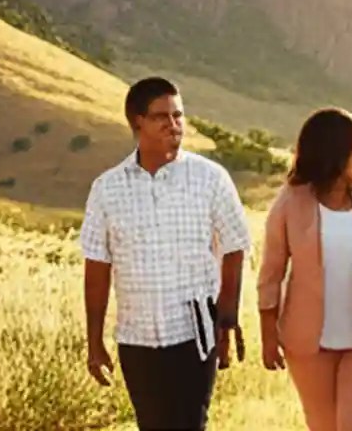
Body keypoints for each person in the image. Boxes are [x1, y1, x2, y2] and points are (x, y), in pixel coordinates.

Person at [79, 77, 252, 431]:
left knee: (190, 424)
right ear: (137, 122)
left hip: (194, 330)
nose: (174, 125)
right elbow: (97, 266)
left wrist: (227, 315)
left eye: (179, 116)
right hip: (135, 336)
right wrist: (94, 342)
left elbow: (236, 246)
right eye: (162, 117)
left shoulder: (210, 178)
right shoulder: (107, 189)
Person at [256, 107, 352, 431]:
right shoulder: (290, 202)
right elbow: (271, 272)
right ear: (331, 153)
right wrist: (269, 334)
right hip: (308, 344)